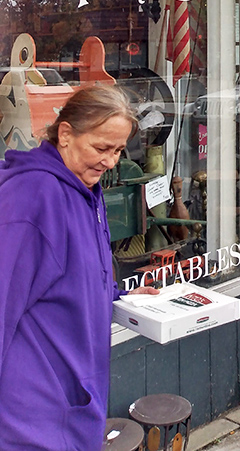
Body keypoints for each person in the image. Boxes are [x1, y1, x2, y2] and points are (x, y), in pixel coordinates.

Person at [0, 83, 158, 450]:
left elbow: (69, 274)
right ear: (66, 134)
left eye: (119, 150)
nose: (111, 161)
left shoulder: (85, 189)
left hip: (69, 410)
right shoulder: (30, 199)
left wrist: (119, 293)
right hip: (29, 423)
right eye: (102, 148)